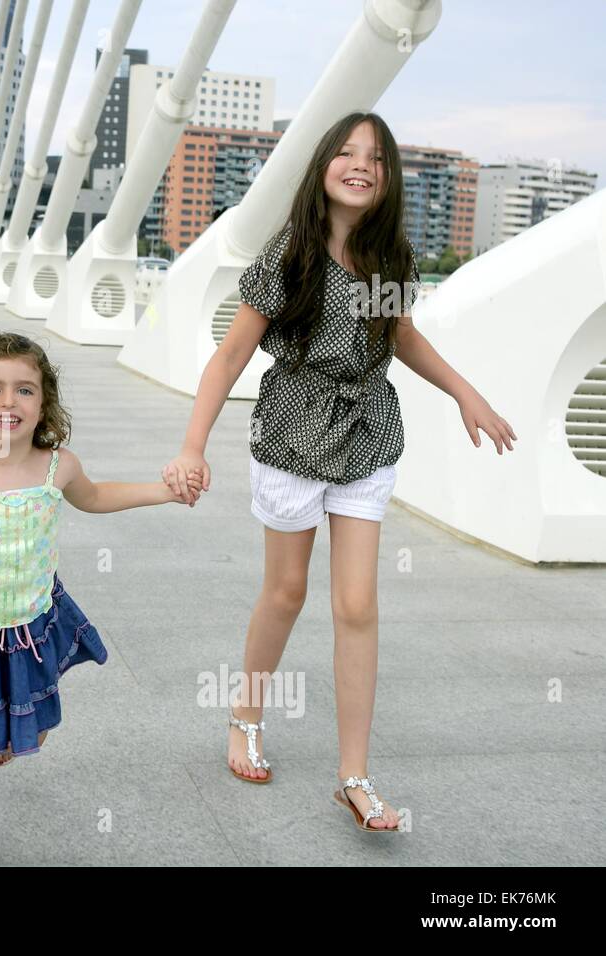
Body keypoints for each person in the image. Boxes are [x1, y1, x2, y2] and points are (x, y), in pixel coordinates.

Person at [161, 113, 517, 831]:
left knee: (357, 606)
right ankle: (246, 714)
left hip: (367, 431)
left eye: (376, 158)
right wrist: (192, 446)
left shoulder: (389, 258)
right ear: (323, 165)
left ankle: (354, 775)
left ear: (388, 180)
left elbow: (402, 337)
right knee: (287, 592)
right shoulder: (290, 253)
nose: (361, 164)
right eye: (347, 153)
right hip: (293, 429)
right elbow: (230, 356)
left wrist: (465, 393)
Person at [0, 332, 202, 865]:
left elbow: (96, 496)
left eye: (25, 390)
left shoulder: (57, 465)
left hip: (32, 624)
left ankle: (5, 733)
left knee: (14, 726)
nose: (8, 402)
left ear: (44, 403)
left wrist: (164, 491)